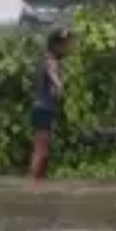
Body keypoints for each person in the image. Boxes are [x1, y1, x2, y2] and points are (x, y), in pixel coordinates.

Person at [29, 28, 75, 181]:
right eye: (66, 45)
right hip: (43, 109)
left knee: (44, 150)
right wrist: (59, 85)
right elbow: (53, 75)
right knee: (41, 150)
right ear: (55, 45)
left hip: (43, 109)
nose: (68, 48)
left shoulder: (50, 60)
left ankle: (39, 184)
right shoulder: (51, 61)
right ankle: (34, 187)